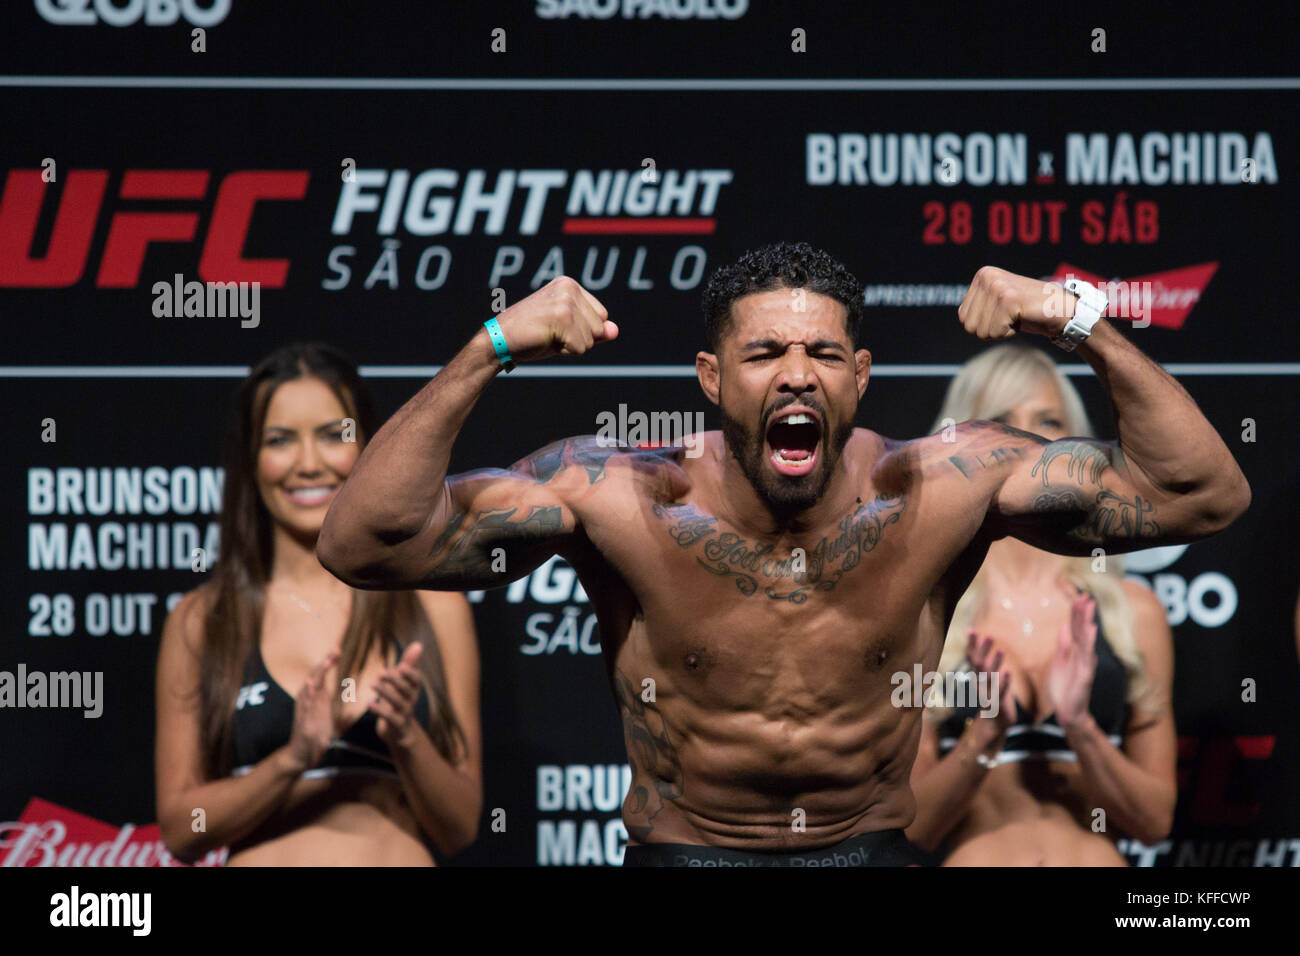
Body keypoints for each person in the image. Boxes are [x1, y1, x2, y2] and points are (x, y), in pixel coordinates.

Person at [318, 241, 1248, 867]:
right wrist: (490, 347)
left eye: (823, 353)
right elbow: (366, 539)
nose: (798, 372)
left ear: (861, 376)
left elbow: (1201, 493)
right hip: (684, 855)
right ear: (712, 379)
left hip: (871, 851)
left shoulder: (944, 484)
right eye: (766, 351)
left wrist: (1073, 319)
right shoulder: (622, 495)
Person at [155, 342, 482, 865]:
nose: (308, 464)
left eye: (334, 436)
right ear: (251, 458)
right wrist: (292, 760)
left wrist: (405, 737)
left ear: (370, 448)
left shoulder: (433, 606)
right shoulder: (202, 620)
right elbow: (180, 828)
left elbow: (461, 825)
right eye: (280, 440)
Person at [906, 344, 1175, 865]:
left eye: (1047, 419)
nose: (1027, 439)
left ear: (1076, 442)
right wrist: (984, 735)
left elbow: (1154, 822)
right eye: (1001, 421)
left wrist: (1081, 728)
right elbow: (914, 830)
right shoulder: (926, 612)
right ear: (957, 441)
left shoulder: (1131, 612)